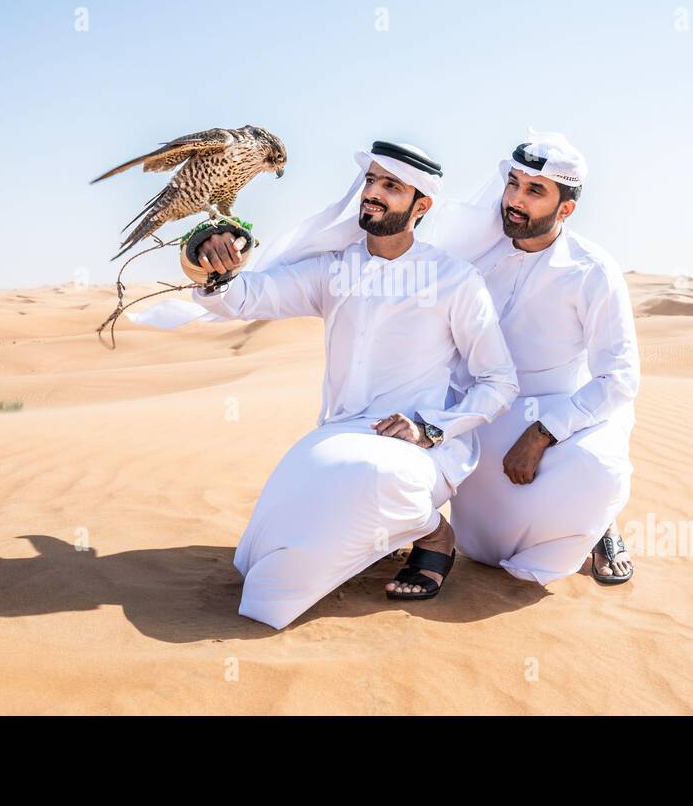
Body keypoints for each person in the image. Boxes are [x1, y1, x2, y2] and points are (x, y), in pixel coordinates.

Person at [189, 140, 518, 629]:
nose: (373, 194)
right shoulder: (333, 270)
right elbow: (245, 297)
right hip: (336, 435)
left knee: (379, 480)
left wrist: (432, 428)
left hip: (417, 447)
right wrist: (207, 261)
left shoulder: (455, 280)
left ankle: (433, 535)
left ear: (421, 205)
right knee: (259, 566)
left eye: (390, 186)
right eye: (370, 181)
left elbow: (500, 381)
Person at [420, 129, 639, 587]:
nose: (515, 200)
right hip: (486, 407)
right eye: (513, 184)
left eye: (534, 191)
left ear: (566, 209)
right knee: (482, 548)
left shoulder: (592, 271)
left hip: (562, 411)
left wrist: (543, 433)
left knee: (597, 469)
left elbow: (618, 379)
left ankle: (600, 528)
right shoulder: (477, 255)